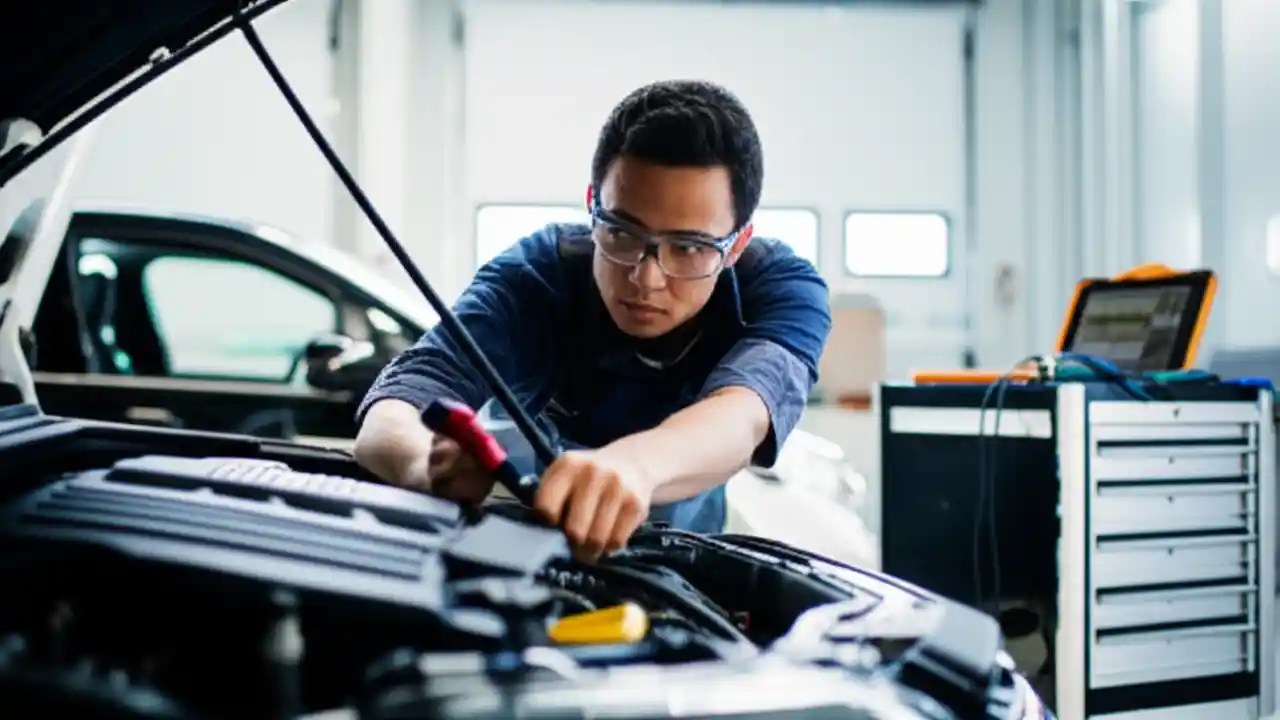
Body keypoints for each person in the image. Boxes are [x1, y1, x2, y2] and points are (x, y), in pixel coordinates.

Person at [353, 79, 831, 562]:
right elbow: (395, 407)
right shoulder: (537, 275)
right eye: (622, 232)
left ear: (738, 243)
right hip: (517, 556)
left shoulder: (778, 291)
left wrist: (634, 466)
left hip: (684, 573)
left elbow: (744, 415)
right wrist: (423, 464)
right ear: (591, 206)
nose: (646, 278)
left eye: (688, 247)